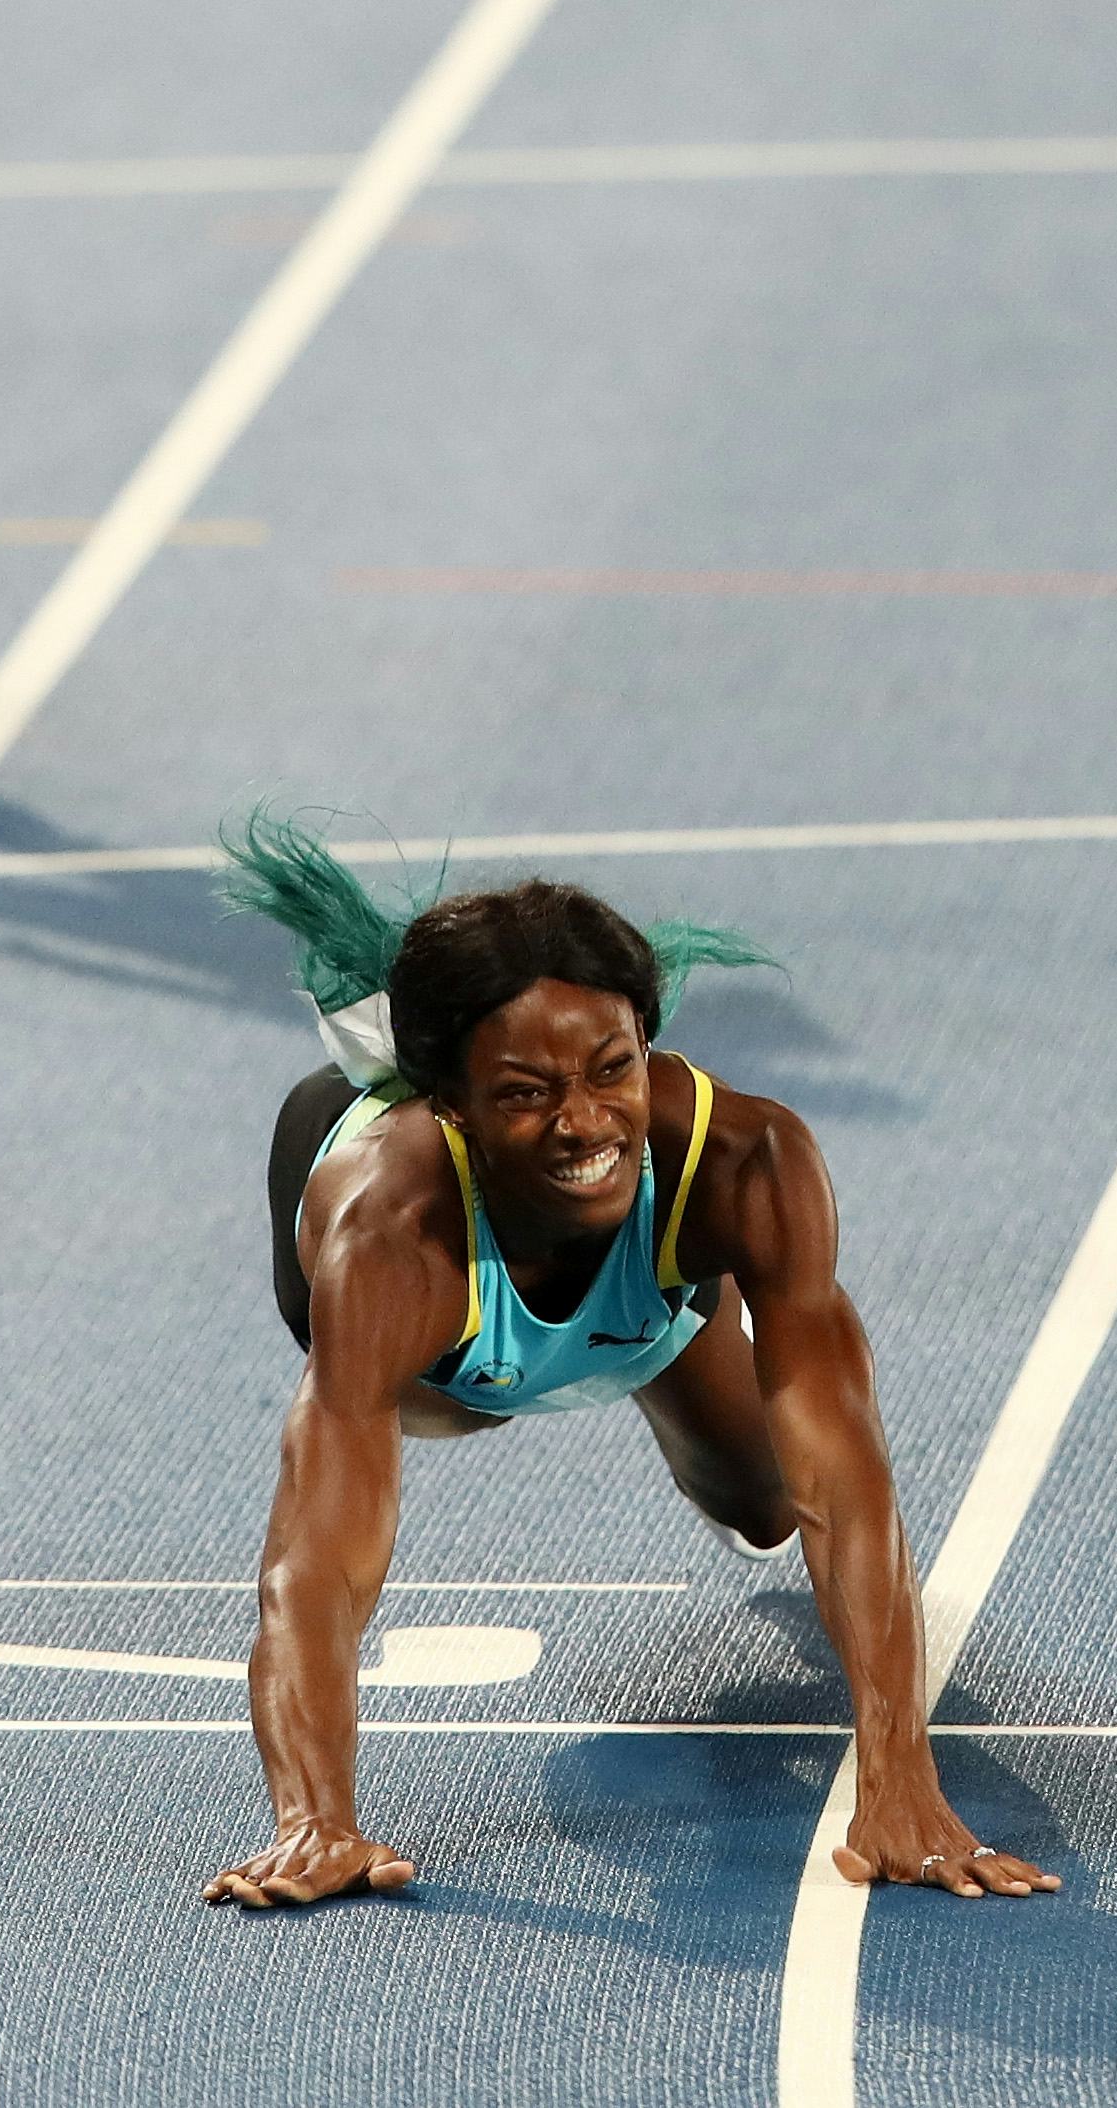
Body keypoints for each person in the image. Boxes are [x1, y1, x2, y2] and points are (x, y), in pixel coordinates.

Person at [205, 813, 1056, 1910]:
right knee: (462, 1404)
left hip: (645, 1301)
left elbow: (845, 1477)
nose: (582, 1122)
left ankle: (644, 1333)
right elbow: (319, 1562)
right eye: (524, 1093)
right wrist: (316, 1820)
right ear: (449, 1102)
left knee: (766, 1506)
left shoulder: (749, 1161)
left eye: (613, 1070)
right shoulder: (390, 1239)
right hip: (449, 1353)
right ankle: (559, 1309)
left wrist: (900, 1777)